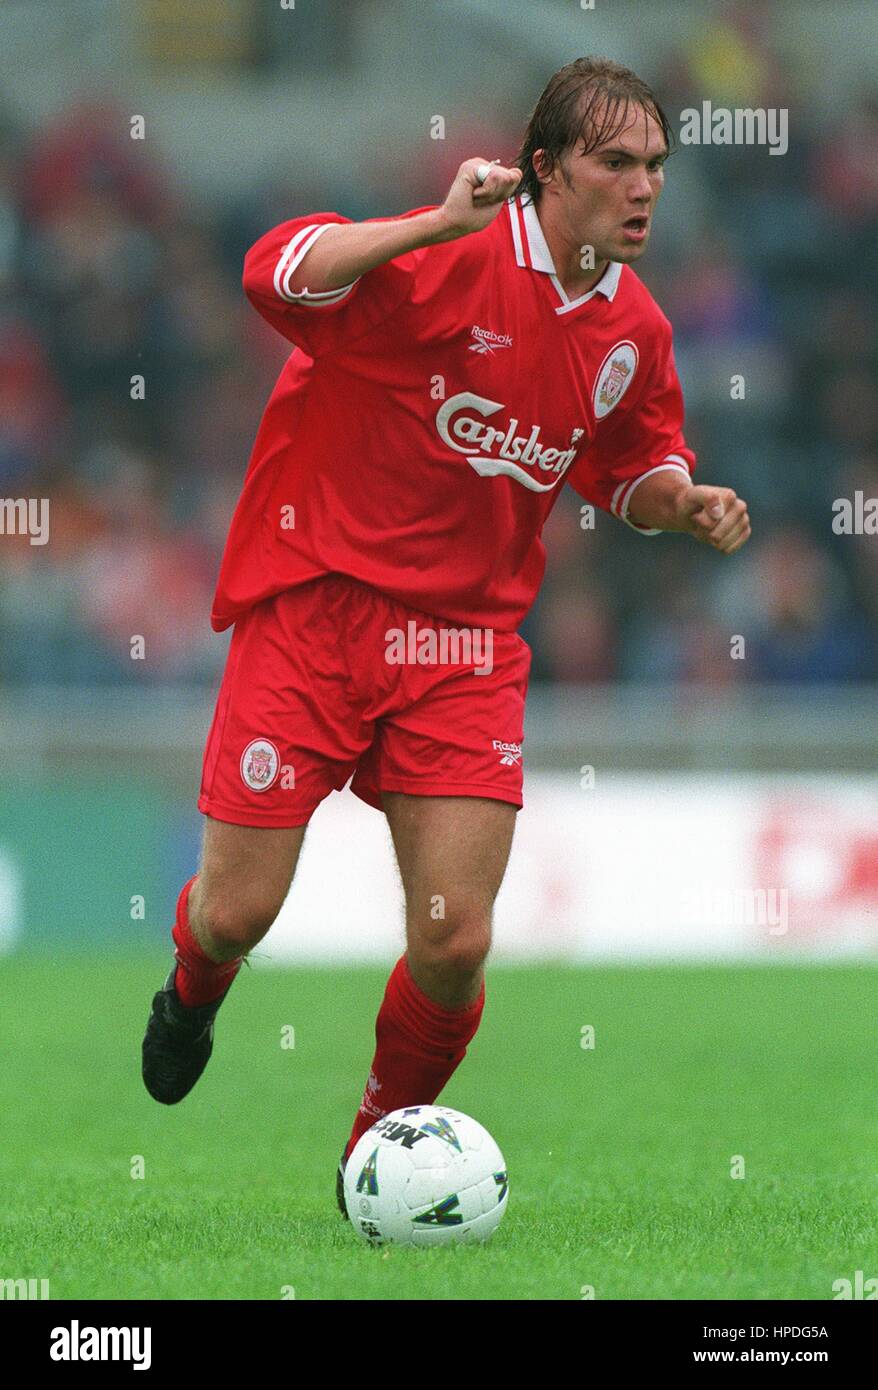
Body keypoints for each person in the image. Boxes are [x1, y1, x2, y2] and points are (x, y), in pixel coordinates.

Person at [141, 56, 751, 1212]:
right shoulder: (440, 254)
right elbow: (270, 271)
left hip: (464, 644)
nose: (642, 189)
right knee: (237, 910)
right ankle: (191, 986)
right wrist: (424, 223)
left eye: (654, 167)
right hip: (317, 606)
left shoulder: (633, 328)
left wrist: (682, 501)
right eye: (614, 163)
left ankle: (372, 1156)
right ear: (545, 171)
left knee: (454, 938)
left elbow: (631, 463)